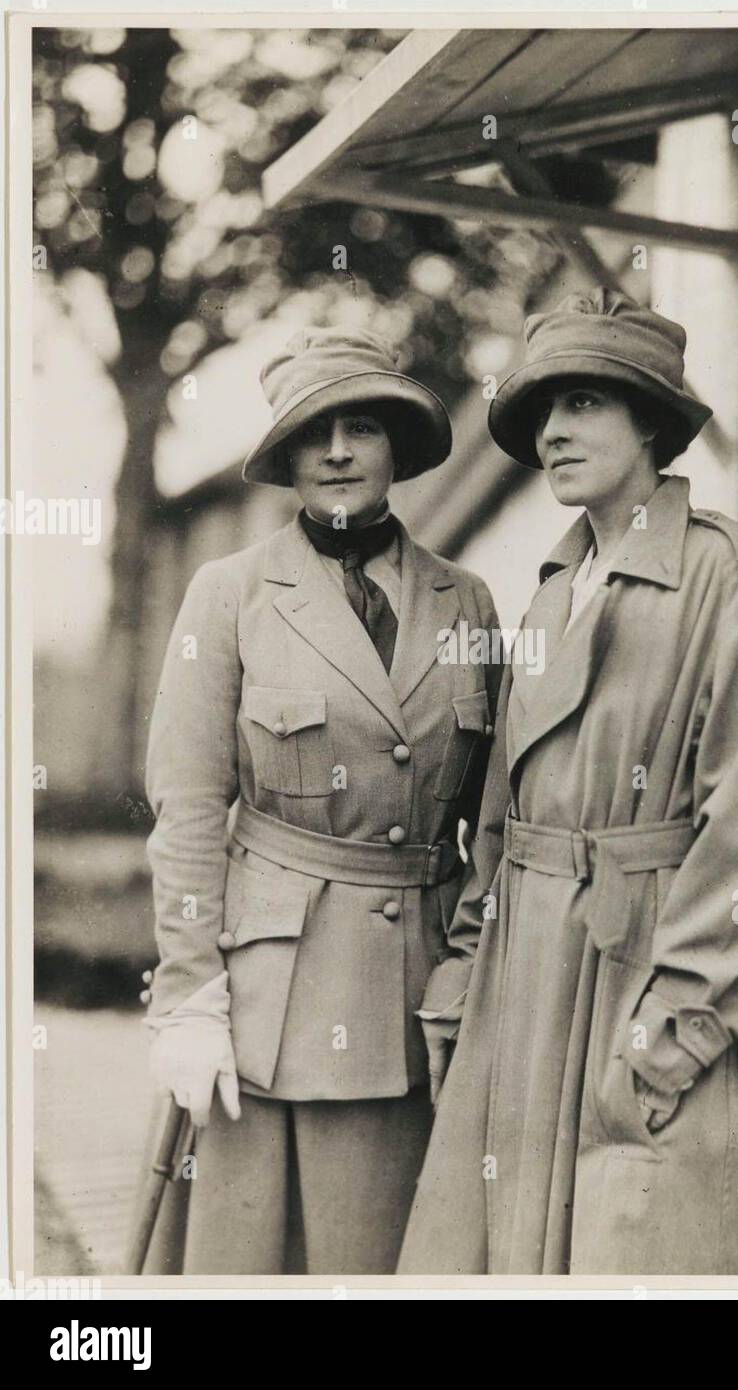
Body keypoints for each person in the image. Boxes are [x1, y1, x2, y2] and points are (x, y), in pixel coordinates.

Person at [398, 288, 738, 1275]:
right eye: (543, 410)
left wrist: (676, 1030)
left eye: (584, 403)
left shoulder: (728, 576)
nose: (553, 431)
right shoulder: (547, 591)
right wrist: (463, 970)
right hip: (525, 980)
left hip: (650, 973)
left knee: (639, 1245)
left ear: (649, 422)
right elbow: (497, 818)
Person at [138, 326, 500, 1274]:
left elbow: (492, 820)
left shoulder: (469, 603)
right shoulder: (230, 594)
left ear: (395, 448)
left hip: (416, 997)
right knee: (256, 1261)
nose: (338, 450)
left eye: (362, 428)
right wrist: (187, 999)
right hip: (272, 1004)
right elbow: (186, 810)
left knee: (394, 1261)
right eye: (314, 433)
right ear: (290, 457)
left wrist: (465, 969)